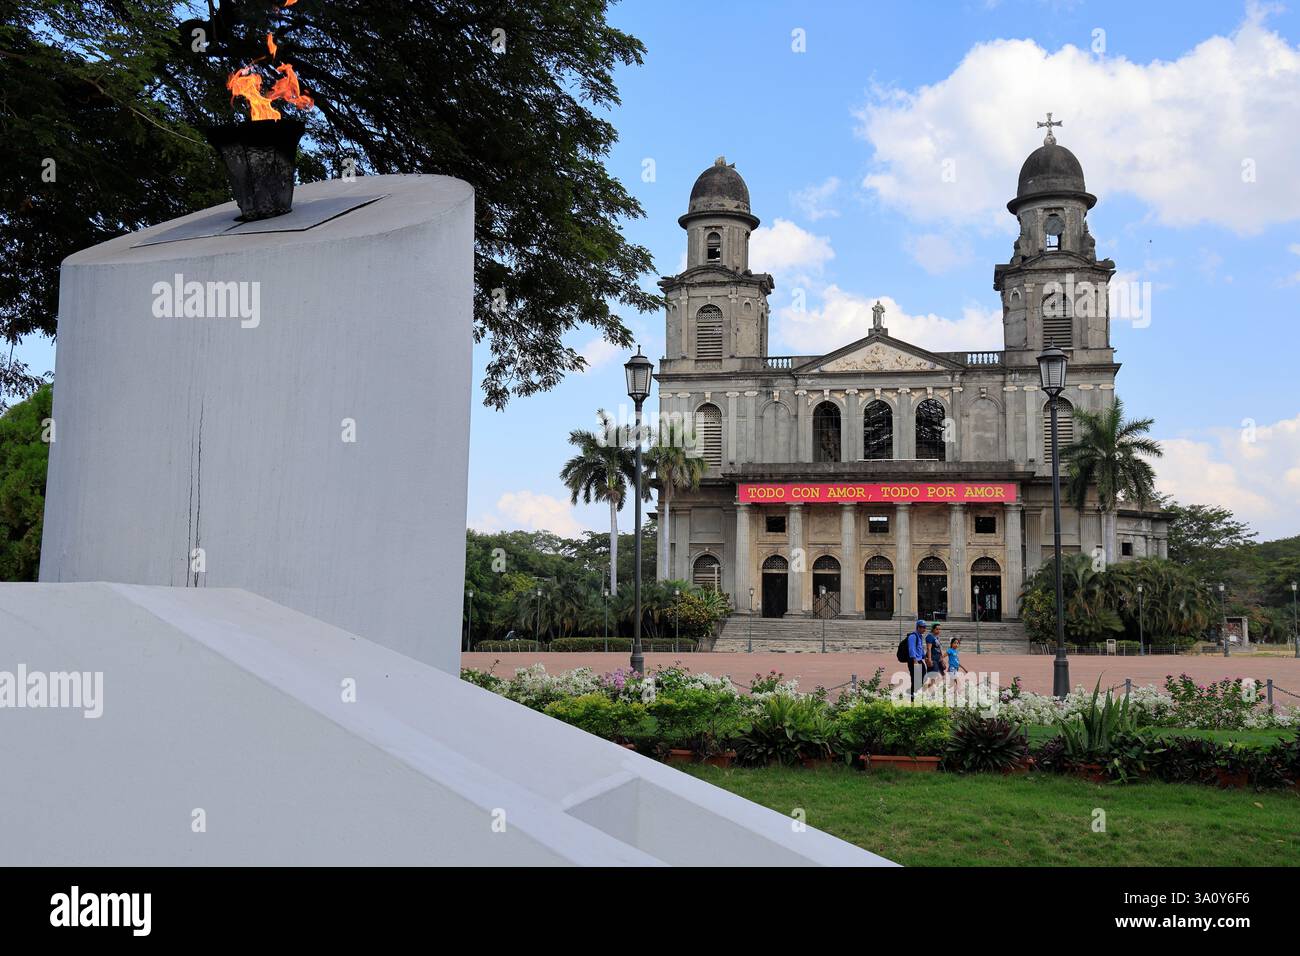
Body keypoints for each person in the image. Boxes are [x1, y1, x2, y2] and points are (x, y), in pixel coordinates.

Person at [906, 620, 927, 699]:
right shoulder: (913, 636)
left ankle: (916, 694)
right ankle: (912, 697)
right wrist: (915, 661)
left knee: (922, 677)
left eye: (925, 628)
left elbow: (920, 649)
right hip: (914, 661)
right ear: (918, 627)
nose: (924, 629)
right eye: (923, 628)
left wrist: (925, 657)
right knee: (916, 680)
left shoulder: (920, 636)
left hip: (919, 660)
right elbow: (911, 649)